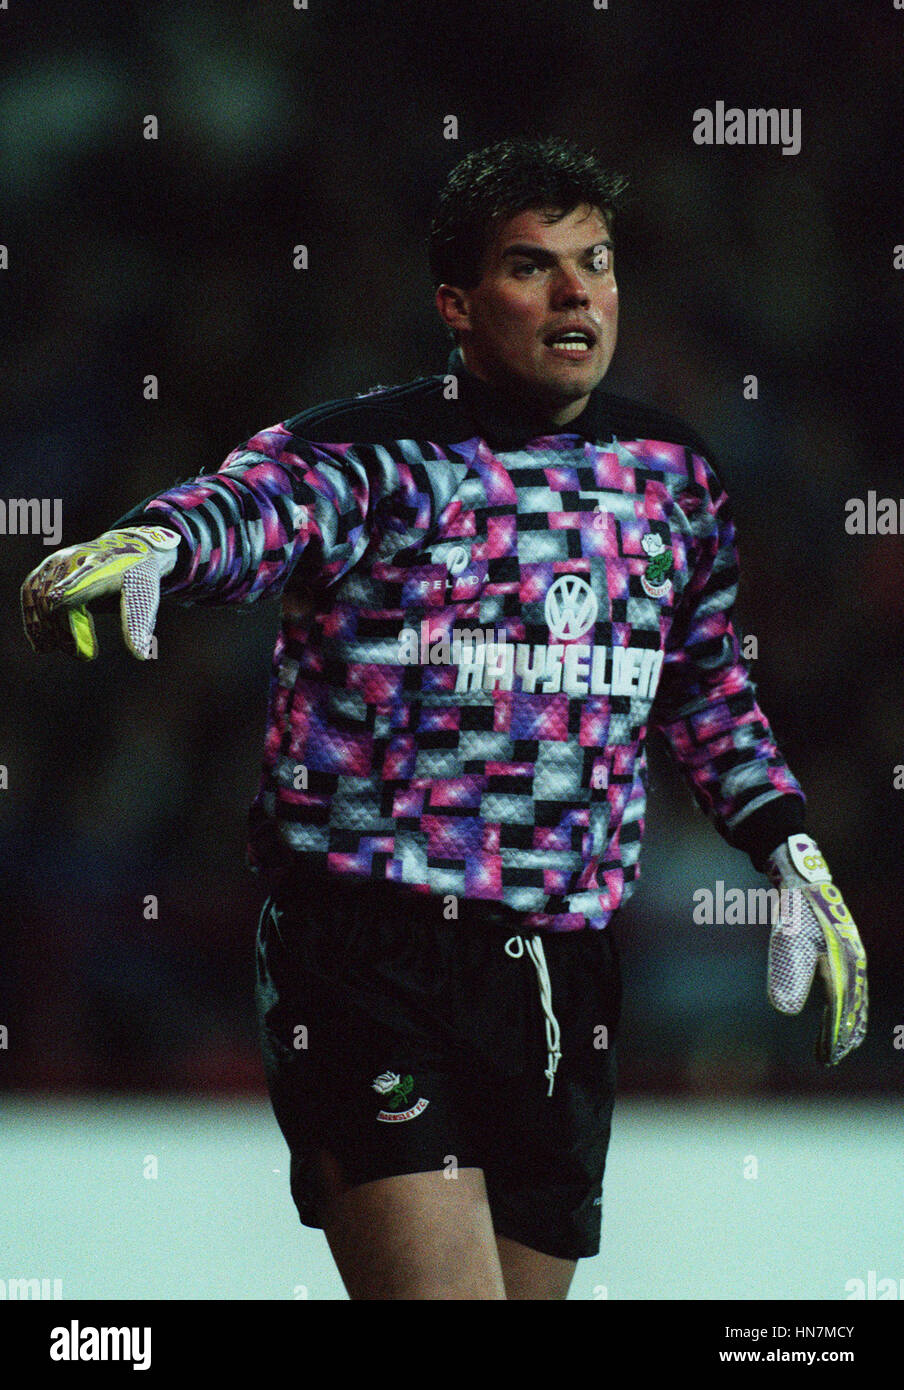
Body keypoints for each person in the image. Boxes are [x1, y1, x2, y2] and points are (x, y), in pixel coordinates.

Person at [21, 137, 867, 1301]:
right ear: (456, 306)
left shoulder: (672, 475)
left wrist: (785, 845)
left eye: (597, 262)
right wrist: (160, 540)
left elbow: (704, 678)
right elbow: (247, 509)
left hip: (563, 974)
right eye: (534, 267)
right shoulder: (372, 455)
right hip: (368, 955)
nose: (577, 293)